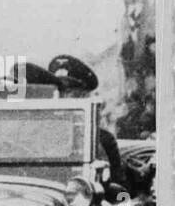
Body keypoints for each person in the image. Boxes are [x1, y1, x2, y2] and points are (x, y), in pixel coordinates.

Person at [47, 54, 153, 195]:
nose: (64, 99)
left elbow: (121, 191)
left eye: (71, 94)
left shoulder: (102, 139)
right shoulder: (40, 135)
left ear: (84, 97)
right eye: (60, 93)